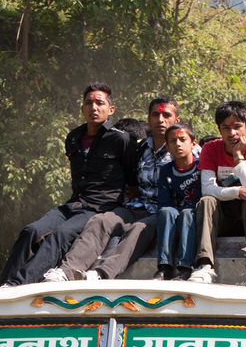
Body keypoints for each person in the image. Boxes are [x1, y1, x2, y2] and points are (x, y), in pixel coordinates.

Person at [0, 83, 137, 286]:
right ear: (82, 108)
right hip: (74, 205)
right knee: (31, 231)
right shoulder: (73, 138)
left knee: (61, 235)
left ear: (111, 109)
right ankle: (2, 285)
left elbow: (133, 183)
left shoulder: (121, 139)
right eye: (88, 103)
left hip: (99, 208)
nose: (94, 108)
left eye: (99, 103)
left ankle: (18, 284)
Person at [43, 97, 182, 282]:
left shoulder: (183, 148)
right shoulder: (140, 148)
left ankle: (101, 273)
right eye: (155, 115)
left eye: (166, 115)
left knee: (139, 229)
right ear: (148, 119)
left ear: (177, 120)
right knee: (101, 221)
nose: (160, 120)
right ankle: (67, 271)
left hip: (163, 212)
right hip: (137, 206)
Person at [188, 100, 246, 288]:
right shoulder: (210, 148)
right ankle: (204, 266)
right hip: (223, 218)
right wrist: (238, 191)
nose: (232, 133)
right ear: (219, 130)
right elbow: (208, 189)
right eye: (226, 128)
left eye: (237, 127)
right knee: (207, 201)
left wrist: (238, 157)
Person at [154, 120, 203, 280]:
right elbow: (164, 202)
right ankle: (164, 266)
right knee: (166, 212)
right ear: (167, 147)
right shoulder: (166, 171)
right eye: (173, 141)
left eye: (183, 140)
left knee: (188, 214)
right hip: (177, 211)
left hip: (196, 213)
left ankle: (185, 267)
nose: (178, 145)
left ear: (193, 143)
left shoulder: (201, 166)